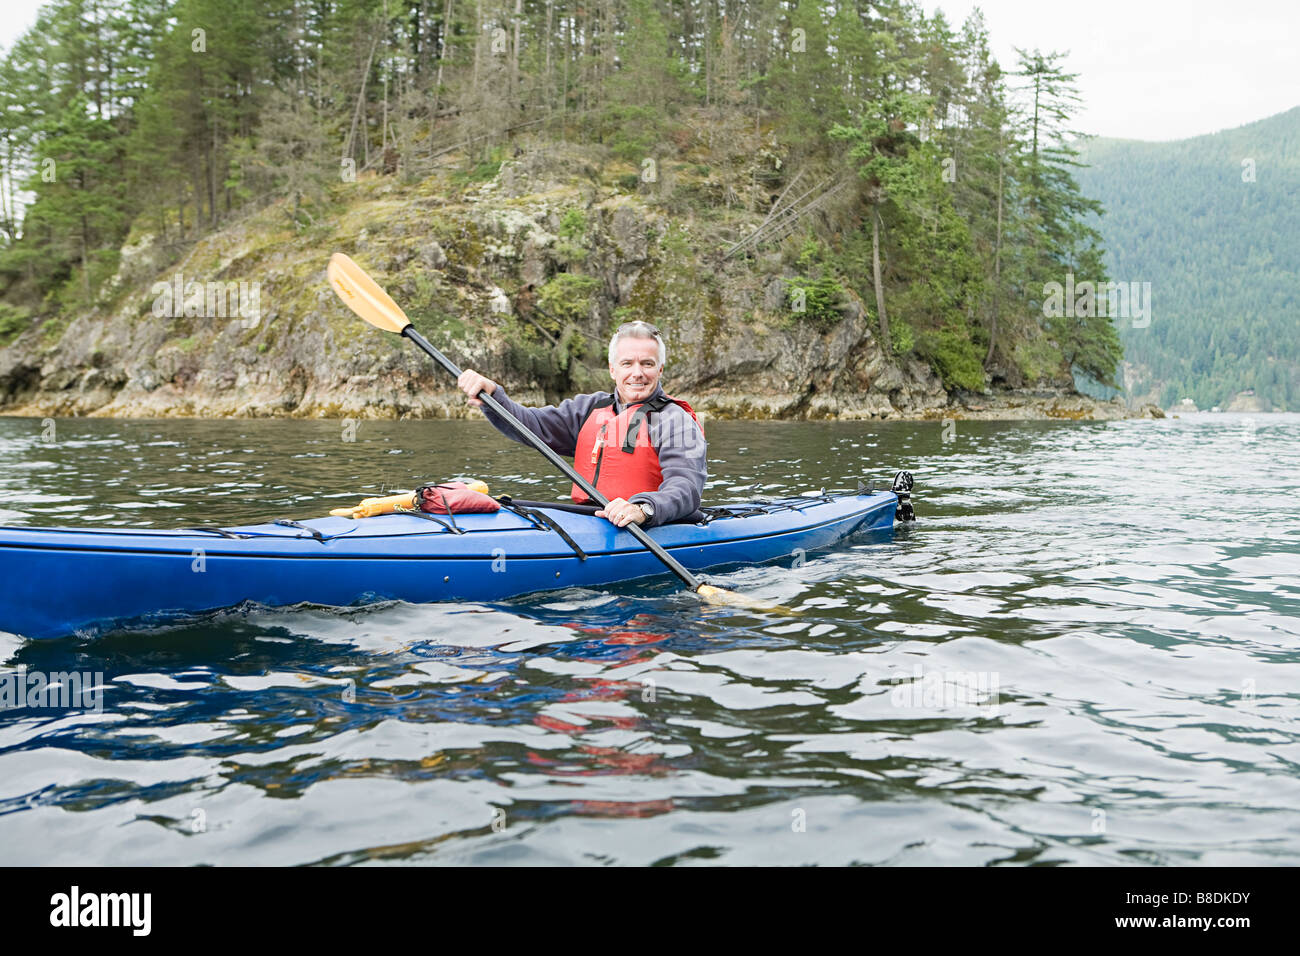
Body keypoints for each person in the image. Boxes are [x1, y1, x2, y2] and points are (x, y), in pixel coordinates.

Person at [456, 321, 707, 528]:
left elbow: (685, 487)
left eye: (647, 364)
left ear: (660, 369)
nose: (637, 373)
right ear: (612, 369)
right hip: (587, 521)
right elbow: (529, 426)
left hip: (646, 523)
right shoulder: (589, 408)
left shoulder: (676, 420)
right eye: (627, 363)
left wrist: (642, 509)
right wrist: (493, 397)